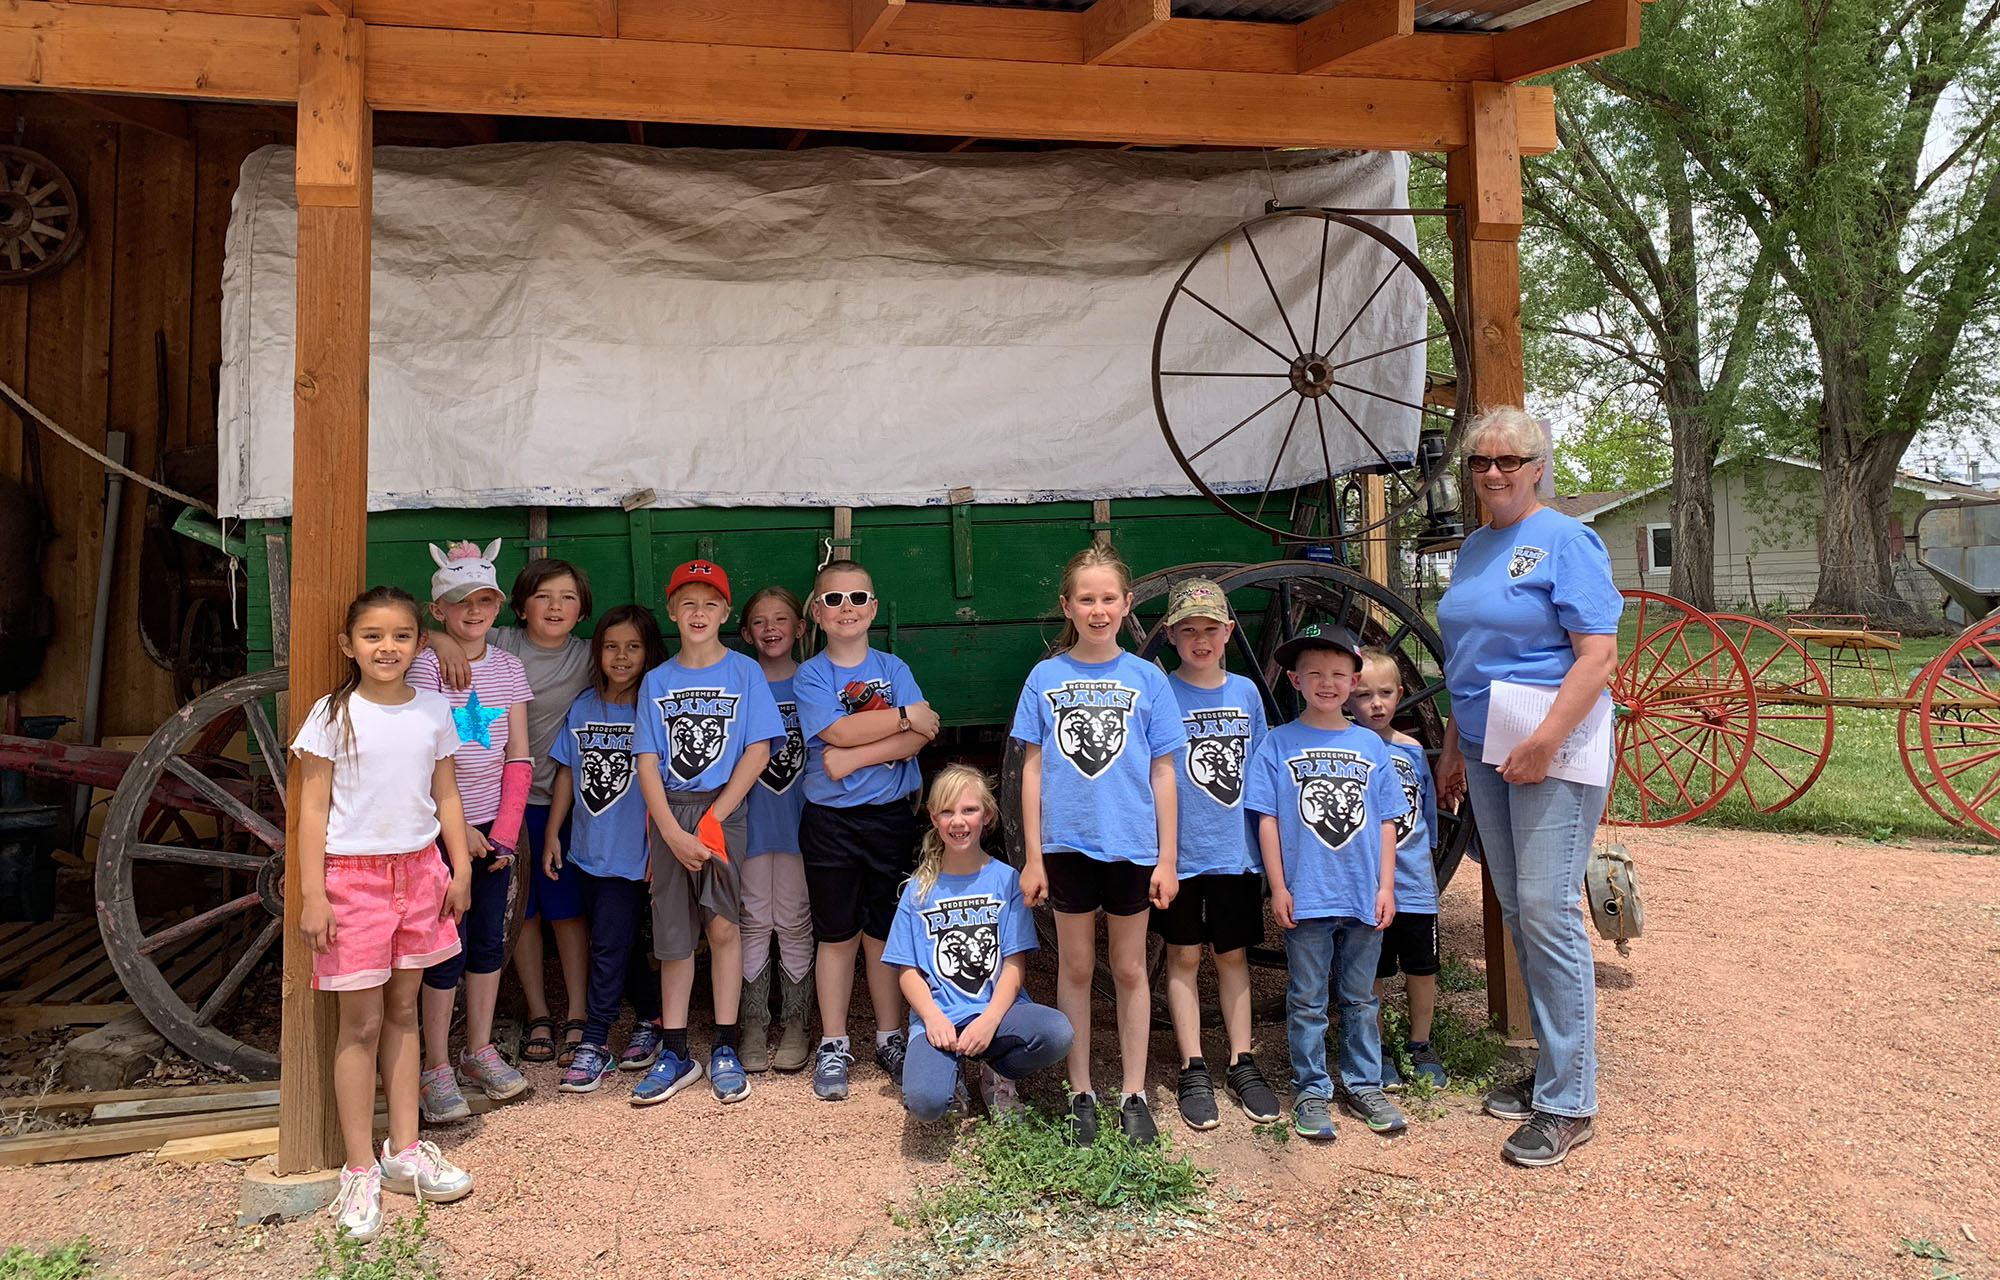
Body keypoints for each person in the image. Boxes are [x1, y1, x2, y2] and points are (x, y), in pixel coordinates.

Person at [1434, 405, 1621, 1168]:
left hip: (1553, 746)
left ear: (1539, 465)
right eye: (1481, 461)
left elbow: (1597, 656)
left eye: (1510, 460)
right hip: (1485, 745)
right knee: (1519, 908)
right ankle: (1552, 1070)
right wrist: (1452, 745)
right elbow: (1467, 658)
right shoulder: (1477, 546)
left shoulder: (1568, 540)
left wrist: (1545, 742)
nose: (1494, 473)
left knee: (1547, 911)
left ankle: (1571, 1100)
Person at [294, 586, 475, 1242]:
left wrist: (461, 866)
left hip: (420, 874)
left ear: (419, 645)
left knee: (404, 1013)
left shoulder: (431, 709)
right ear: (349, 645)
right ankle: (359, 1167)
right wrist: (314, 895)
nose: (386, 647)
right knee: (360, 1024)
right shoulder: (331, 715)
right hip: (353, 884)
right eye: (372, 636)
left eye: (401, 635)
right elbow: (311, 811)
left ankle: (404, 1151)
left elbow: (446, 793)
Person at [1011, 545, 1185, 1148]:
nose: (1098, 609)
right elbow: (1032, 769)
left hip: (1133, 845)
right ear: (1067, 605)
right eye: (1086, 598)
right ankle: (1080, 1089)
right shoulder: (1046, 676)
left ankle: (1133, 1093)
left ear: (1126, 604)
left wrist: (1167, 858)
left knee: (1131, 967)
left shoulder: (1147, 677)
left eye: (1108, 598)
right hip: (1066, 845)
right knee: (1077, 966)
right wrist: (1033, 857)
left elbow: (1165, 772)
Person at [630, 559, 785, 1108]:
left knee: (723, 927)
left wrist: (717, 815)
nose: (699, 613)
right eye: (687, 603)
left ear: (724, 612)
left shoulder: (743, 672)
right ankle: (675, 1051)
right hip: (670, 811)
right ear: (672, 611)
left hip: (725, 809)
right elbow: (646, 761)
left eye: (710, 603)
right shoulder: (656, 680)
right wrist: (671, 831)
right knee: (673, 936)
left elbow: (759, 747)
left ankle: (723, 1044)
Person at [1246, 623, 1410, 1142]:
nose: (1327, 683)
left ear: (1353, 679)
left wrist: (1386, 887)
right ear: (1294, 680)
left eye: (1339, 674)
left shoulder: (1369, 745)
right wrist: (1278, 886)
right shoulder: (1277, 743)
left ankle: (1364, 1083)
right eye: (1314, 673)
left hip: (1363, 892)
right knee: (1307, 998)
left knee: (1361, 997)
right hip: (1307, 892)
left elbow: (1387, 819)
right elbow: (1266, 817)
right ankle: (1312, 1089)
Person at [430, 559, 597, 1068]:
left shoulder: (588, 656)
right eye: (543, 596)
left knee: (565, 909)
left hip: (556, 798)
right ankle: (536, 1013)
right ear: (520, 606)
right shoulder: (501, 643)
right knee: (520, 914)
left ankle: (579, 1015)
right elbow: (414, 624)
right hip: (491, 805)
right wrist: (437, 641)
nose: (555, 607)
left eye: (567, 597)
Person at [794, 559, 940, 1101]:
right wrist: (902, 719)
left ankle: (888, 1036)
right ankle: (833, 1042)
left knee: (884, 932)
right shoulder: (811, 674)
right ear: (817, 612)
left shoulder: (892, 666)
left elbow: (921, 733)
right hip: (829, 824)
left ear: (874, 607)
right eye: (833, 600)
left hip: (887, 818)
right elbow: (834, 728)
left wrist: (850, 760)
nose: (847, 608)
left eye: (858, 597)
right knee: (836, 935)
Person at [408, 540, 534, 1120]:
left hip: (493, 829)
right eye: (460, 603)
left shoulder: (509, 669)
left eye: (485, 600)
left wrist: (504, 832)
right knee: (443, 947)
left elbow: (518, 755)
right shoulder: (424, 665)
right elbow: (420, 758)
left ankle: (477, 1049)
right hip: (440, 826)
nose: (474, 611)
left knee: (487, 939)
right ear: (438, 612)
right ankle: (435, 1064)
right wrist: (460, 833)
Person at [1150, 577, 1281, 1131]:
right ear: (1172, 637)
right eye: (1187, 631)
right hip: (1181, 853)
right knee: (1182, 957)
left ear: (1228, 631)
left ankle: (1242, 1061)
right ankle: (1192, 1064)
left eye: (1210, 629)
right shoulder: (1161, 694)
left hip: (1235, 851)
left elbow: (1259, 773)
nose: (1199, 640)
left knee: (1232, 957)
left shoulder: (1247, 693)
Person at [886, 764, 1073, 1122]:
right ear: (934, 818)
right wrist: (932, 1018)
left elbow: (1014, 965)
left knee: (1056, 1033)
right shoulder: (918, 889)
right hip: (940, 1015)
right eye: (947, 811)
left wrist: (988, 1020)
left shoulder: (1007, 881)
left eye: (969, 810)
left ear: (986, 815)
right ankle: (949, 1071)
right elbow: (907, 970)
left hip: (997, 1012)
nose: (958, 821)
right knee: (926, 1104)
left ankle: (999, 1071)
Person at [550, 605, 670, 1093]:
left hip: (635, 853)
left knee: (607, 943)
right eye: (611, 646)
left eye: (633, 647)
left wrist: (658, 851)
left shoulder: (653, 707)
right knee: (613, 942)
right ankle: (652, 1017)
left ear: (649, 652)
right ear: (596, 651)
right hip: (586, 849)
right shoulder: (582, 706)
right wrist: (552, 836)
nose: (621, 656)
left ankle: (595, 1041)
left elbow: (667, 786)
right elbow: (566, 773)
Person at [1346, 646, 1447, 1089]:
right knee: (1375, 971)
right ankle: (1378, 1046)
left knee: (1422, 967)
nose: (1377, 704)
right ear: (1349, 697)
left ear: (1400, 694)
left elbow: (1428, 818)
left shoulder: (1412, 752)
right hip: (1368, 884)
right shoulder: (1346, 750)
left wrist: (1427, 863)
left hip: (1414, 882)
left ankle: (1420, 1042)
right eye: (1365, 694)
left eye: (1385, 693)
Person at [738, 586, 817, 1074]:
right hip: (748, 821)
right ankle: (751, 1020)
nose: (771, 628)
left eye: (781, 619)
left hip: (800, 821)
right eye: (760, 622)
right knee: (751, 918)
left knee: (793, 917)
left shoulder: (812, 683)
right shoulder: (739, 682)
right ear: (745, 633)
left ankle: (795, 1020)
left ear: (800, 628)